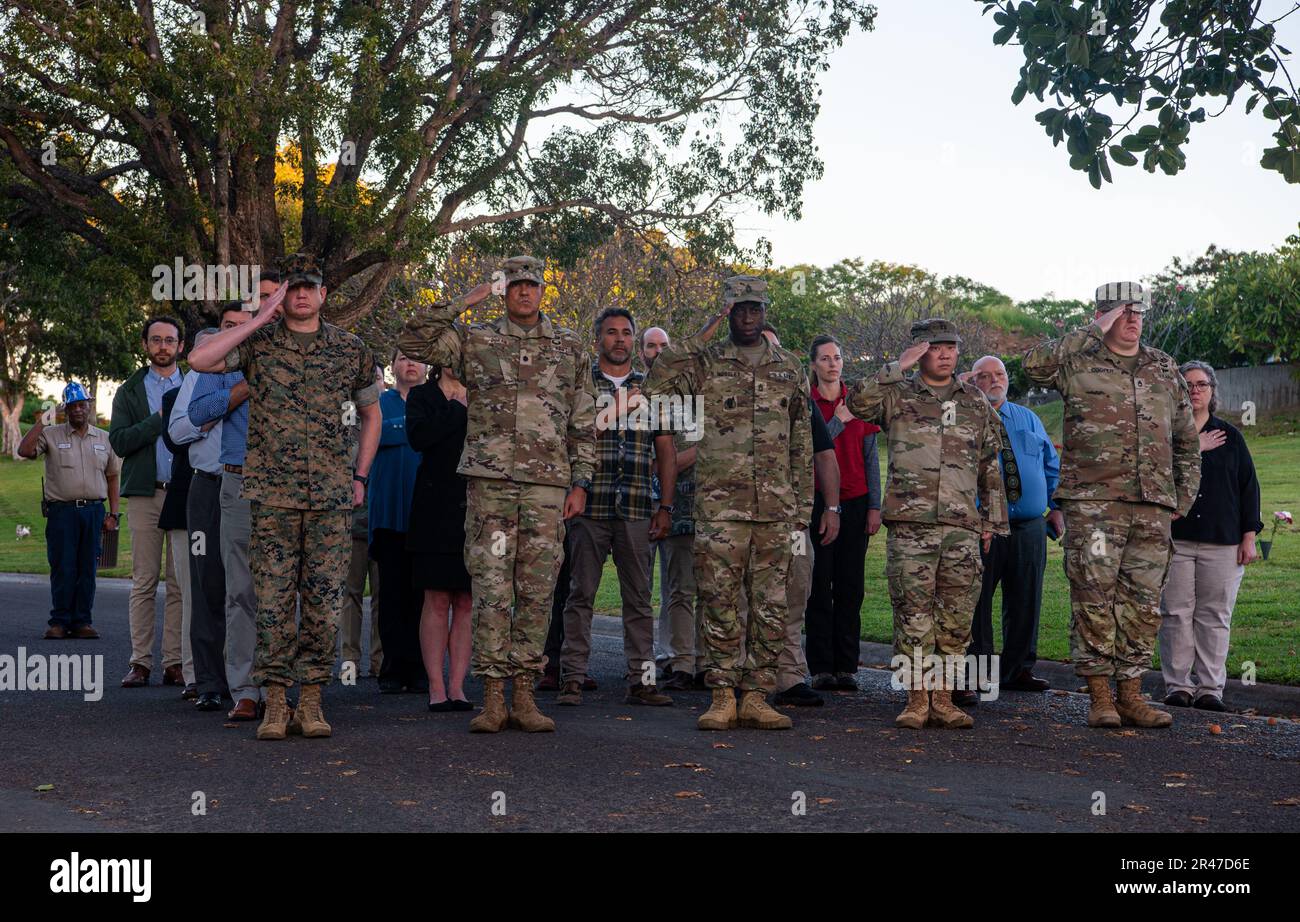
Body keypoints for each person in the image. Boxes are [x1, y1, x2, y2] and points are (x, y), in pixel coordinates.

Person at [397, 255, 596, 734]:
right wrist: (468, 299)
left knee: (536, 589)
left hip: (548, 486)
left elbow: (583, 418)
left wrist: (581, 481)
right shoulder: (475, 339)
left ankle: (524, 695)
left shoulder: (568, 346)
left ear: (544, 290)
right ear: (503, 290)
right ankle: (490, 697)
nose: (524, 292)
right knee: (488, 587)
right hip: (490, 485)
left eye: (532, 284)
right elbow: (412, 338)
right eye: (515, 285)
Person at [188, 253, 381, 741]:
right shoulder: (259, 346)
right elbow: (200, 359)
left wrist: (359, 476)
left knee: (322, 602)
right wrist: (259, 317)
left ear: (322, 295)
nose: (299, 294)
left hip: (332, 499)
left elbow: (371, 416)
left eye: (307, 287)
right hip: (272, 497)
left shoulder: (350, 349)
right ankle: (275, 701)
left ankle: (311, 702)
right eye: (291, 287)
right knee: (271, 601)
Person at [1023, 281, 1200, 729]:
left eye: (1138, 311)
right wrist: (1090, 331)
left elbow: (1185, 437)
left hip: (1152, 506)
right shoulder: (1076, 362)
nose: (1134, 318)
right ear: (1104, 316)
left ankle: (1132, 696)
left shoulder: (1162, 366)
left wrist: (1182, 496)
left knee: (1142, 603)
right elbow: (1032, 366)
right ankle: (1099, 697)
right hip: (1094, 505)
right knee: (1094, 597)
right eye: (1123, 311)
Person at [644, 275, 811, 731]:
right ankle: (721, 694)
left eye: (754, 307)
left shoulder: (789, 367)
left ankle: (756, 694)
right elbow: (656, 382)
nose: (748, 315)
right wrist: (703, 333)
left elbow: (801, 439)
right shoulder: (705, 364)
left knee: (770, 603)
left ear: (765, 310)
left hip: (776, 508)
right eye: (738, 308)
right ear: (728, 314)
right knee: (719, 600)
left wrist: (804, 507)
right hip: (719, 508)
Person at [845, 318, 1008, 730]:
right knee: (912, 613)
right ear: (920, 351)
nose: (947, 353)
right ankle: (916, 699)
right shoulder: (897, 395)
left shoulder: (974, 401)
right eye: (936, 347)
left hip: (961, 527)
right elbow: (857, 403)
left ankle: (945, 698)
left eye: (951, 346)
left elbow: (991, 465)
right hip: (911, 526)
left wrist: (991, 522)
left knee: (956, 618)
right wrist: (897, 367)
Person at [557, 308, 676, 707]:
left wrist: (666, 506)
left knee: (640, 599)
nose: (621, 339)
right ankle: (571, 678)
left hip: (639, 505)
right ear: (599, 340)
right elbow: (571, 434)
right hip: (591, 504)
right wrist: (619, 407)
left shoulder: (654, 387)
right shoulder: (580, 382)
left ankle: (642, 683)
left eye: (627, 333)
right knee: (580, 595)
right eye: (612, 333)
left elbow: (667, 450)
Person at [188, 275, 280, 722]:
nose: (266, 304)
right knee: (240, 589)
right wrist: (247, 385)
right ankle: (244, 688)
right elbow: (199, 412)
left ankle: (280, 687)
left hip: (291, 485)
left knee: (288, 590)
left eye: (271, 296)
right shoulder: (226, 352)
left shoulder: (307, 347)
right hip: (239, 480)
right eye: (258, 298)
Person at [954, 355, 1063, 706]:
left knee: (1026, 599)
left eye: (999, 374)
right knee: (978, 602)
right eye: (984, 376)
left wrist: (1056, 508)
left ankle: (1017, 670)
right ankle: (977, 677)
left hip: (1030, 525)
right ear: (973, 382)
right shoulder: (964, 418)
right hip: (984, 525)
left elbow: (1051, 464)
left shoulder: (1028, 417)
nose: (994, 380)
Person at [1158, 360, 1262, 713]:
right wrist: (1194, 447)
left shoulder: (1231, 437)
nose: (1196, 390)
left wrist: (1249, 537)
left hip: (1223, 541)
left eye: (1203, 384)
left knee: (1214, 615)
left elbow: (1249, 489)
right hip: (1177, 539)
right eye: (1188, 385)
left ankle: (1209, 689)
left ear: (1212, 390)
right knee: (1175, 613)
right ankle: (1177, 686)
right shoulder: (1166, 435)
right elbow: (1154, 479)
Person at [170, 317, 248, 711]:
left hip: (254, 488)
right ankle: (210, 682)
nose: (234, 331)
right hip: (208, 486)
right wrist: (222, 408)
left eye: (243, 324)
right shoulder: (199, 375)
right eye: (228, 324)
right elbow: (180, 430)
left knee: (250, 588)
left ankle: (254, 684)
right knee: (206, 585)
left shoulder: (262, 364)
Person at [110, 315, 186, 688]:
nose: (162, 346)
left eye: (169, 340)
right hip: (145, 493)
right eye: (155, 340)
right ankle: (140, 662)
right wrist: (158, 419)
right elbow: (120, 442)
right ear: (145, 345)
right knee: (143, 581)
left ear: (180, 347)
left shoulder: (193, 384)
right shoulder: (129, 391)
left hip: (184, 493)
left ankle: (175, 662)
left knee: (179, 583)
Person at [804, 334, 882, 693]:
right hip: (819, 502)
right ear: (814, 365)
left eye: (837, 357)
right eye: (825, 358)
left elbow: (871, 459)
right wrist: (837, 420)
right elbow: (812, 451)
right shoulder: (808, 404)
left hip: (856, 500)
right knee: (819, 585)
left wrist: (874, 506)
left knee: (850, 587)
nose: (833, 363)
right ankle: (820, 666)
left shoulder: (859, 403)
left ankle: (846, 666)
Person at [19, 382, 120, 639]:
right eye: (72, 405)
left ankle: (82, 621)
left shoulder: (104, 438)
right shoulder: (51, 434)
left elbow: (112, 478)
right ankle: (60, 621)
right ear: (65, 408)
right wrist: (43, 420)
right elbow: (24, 450)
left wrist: (113, 514)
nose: (78, 410)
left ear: (89, 406)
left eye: (82, 405)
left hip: (94, 511)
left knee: (87, 568)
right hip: (61, 512)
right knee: (63, 567)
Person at [406, 365, 474, 711]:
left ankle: (458, 686)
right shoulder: (422, 396)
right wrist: (457, 408)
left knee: (465, 601)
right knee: (435, 599)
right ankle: (436, 687)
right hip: (433, 506)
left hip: (475, 507)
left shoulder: (483, 394)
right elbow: (420, 438)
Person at [369, 351, 429, 693]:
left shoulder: (433, 400)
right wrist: (409, 429)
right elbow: (375, 437)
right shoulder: (380, 402)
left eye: (418, 359)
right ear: (393, 367)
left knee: (422, 596)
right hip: (388, 512)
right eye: (404, 358)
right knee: (390, 595)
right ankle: (391, 669)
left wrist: (397, 431)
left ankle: (419, 669)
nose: (411, 364)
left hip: (424, 516)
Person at [158, 383, 197, 700]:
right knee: (191, 592)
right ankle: (194, 672)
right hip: (185, 505)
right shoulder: (174, 397)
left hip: (234, 500)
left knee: (233, 593)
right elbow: (176, 440)